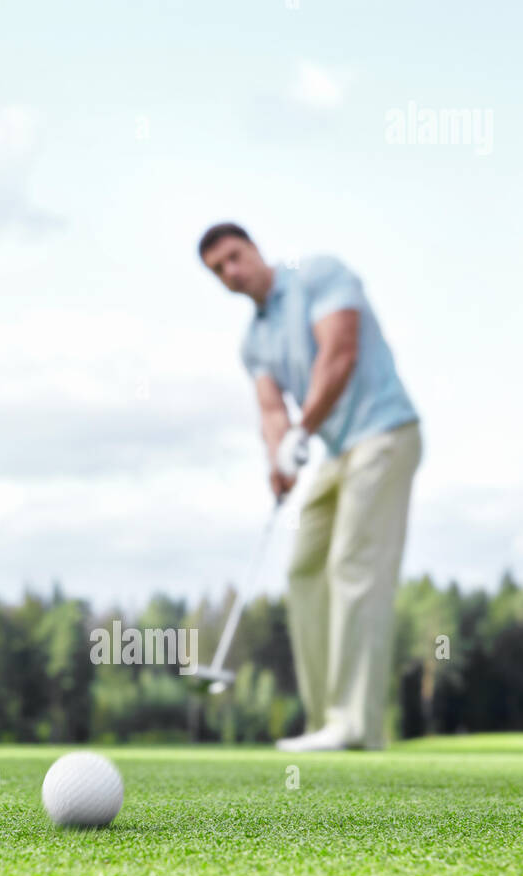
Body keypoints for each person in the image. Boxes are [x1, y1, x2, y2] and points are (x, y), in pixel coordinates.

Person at [199, 222, 422, 751]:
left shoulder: (319, 275)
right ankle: (327, 720)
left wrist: (302, 430)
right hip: (338, 450)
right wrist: (279, 459)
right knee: (304, 566)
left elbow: (338, 355)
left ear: (254, 248)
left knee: (353, 565)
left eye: (234, 256)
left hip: (385, 433)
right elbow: (272, 409)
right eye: (218, 270)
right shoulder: (253, 341)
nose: (231, 272)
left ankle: (355, 725)